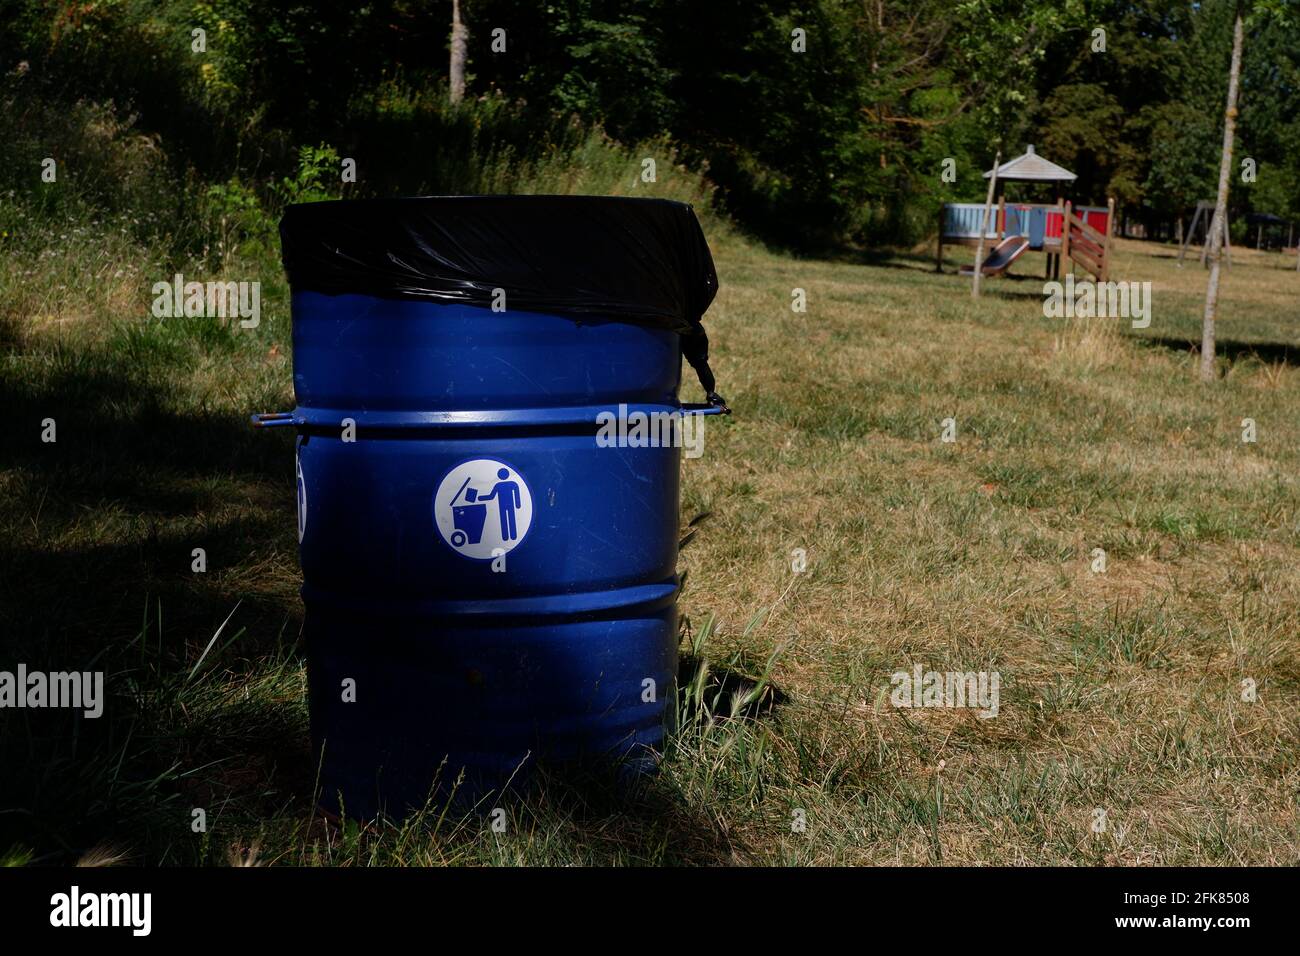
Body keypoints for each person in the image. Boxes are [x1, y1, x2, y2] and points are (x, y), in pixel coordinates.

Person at [477, 468, 521, 541]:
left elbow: (491, 496)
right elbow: (516, 494)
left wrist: (480, 498)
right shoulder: (511, 484)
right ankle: (511, 536)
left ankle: (507, 537)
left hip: (503, 506)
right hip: (507, 505)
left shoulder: (500, 485)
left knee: (505, 519)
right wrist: (517, 504)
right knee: (510, 518)